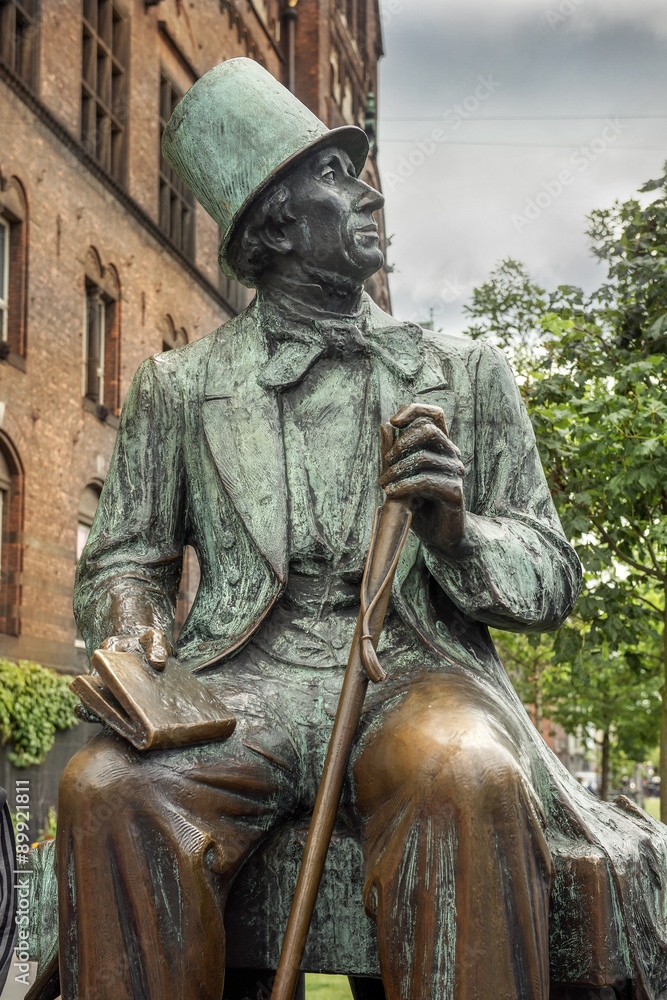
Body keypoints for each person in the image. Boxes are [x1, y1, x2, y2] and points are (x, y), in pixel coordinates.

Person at [55, 59, 667, 1000]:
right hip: (239, 683)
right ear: (276, 223)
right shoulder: (177, 388)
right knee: (105, 791)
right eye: (337, 177)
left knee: (460, 773)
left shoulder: (465, 373)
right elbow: (123, 558)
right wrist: (134, 625)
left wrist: (459, 535)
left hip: (416, 672)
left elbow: (551, 573)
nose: (370, 192)